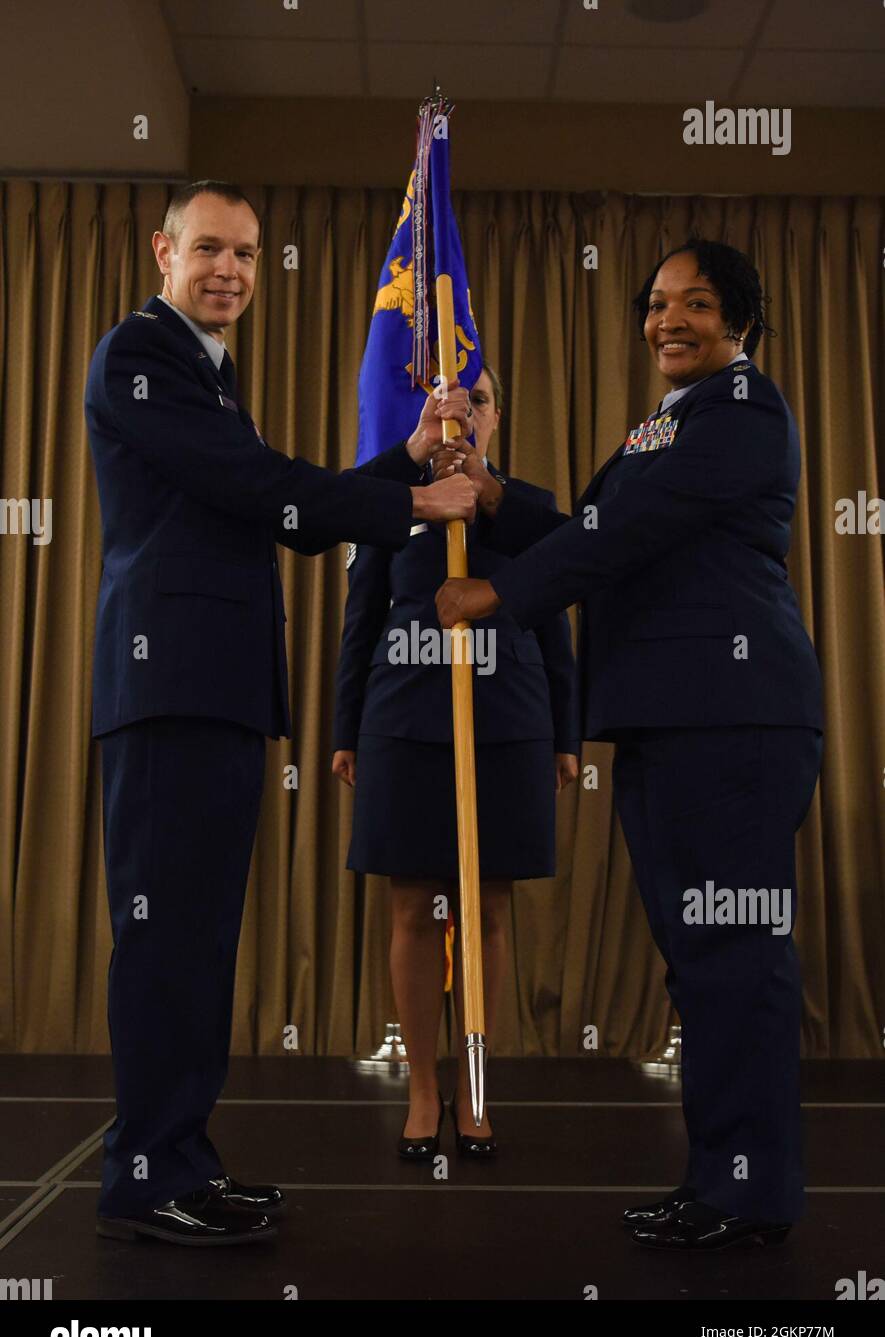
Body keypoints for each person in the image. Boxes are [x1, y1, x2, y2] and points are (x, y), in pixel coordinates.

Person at [85, 179, 475, 1246]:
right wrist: (408, 499)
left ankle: (183, 1159)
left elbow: (276, 500)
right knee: (166, 943)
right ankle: (144, 1170)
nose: (231, 271)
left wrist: (403, 460)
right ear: (161, 253)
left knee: (204, 941)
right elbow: (261, 490)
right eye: (210, 248)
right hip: (166, 690)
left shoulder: (210, 372)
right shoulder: (138, 355)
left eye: (249, 255)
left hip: (214, 694)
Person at [434, 240, 824, 1251]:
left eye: (695, 304)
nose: (669, 322)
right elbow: (602, 522)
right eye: (656, 305)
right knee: (700, 964)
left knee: (736, 957)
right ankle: (719, 1180)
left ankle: (751, 1190)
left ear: (738, 321)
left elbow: (623, 531)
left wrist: (498, 592)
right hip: (672, 721)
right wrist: (497, 500)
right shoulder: (670, 418)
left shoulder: (744, 410)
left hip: (733, 721)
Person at [332, 366, 579, 1159]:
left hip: (508, 723)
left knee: (488, 912)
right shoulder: (391, 504)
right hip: (402, 724)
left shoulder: (528, 509)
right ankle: (422, 1090)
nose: (461, 410)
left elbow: (552, 626)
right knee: (412, 909)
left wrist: (566, 736)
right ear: (426, 412)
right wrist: (345, 729)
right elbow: (361, 620)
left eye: (476, 398)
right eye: (447, 398)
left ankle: (474, 1090)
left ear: (495, 414)